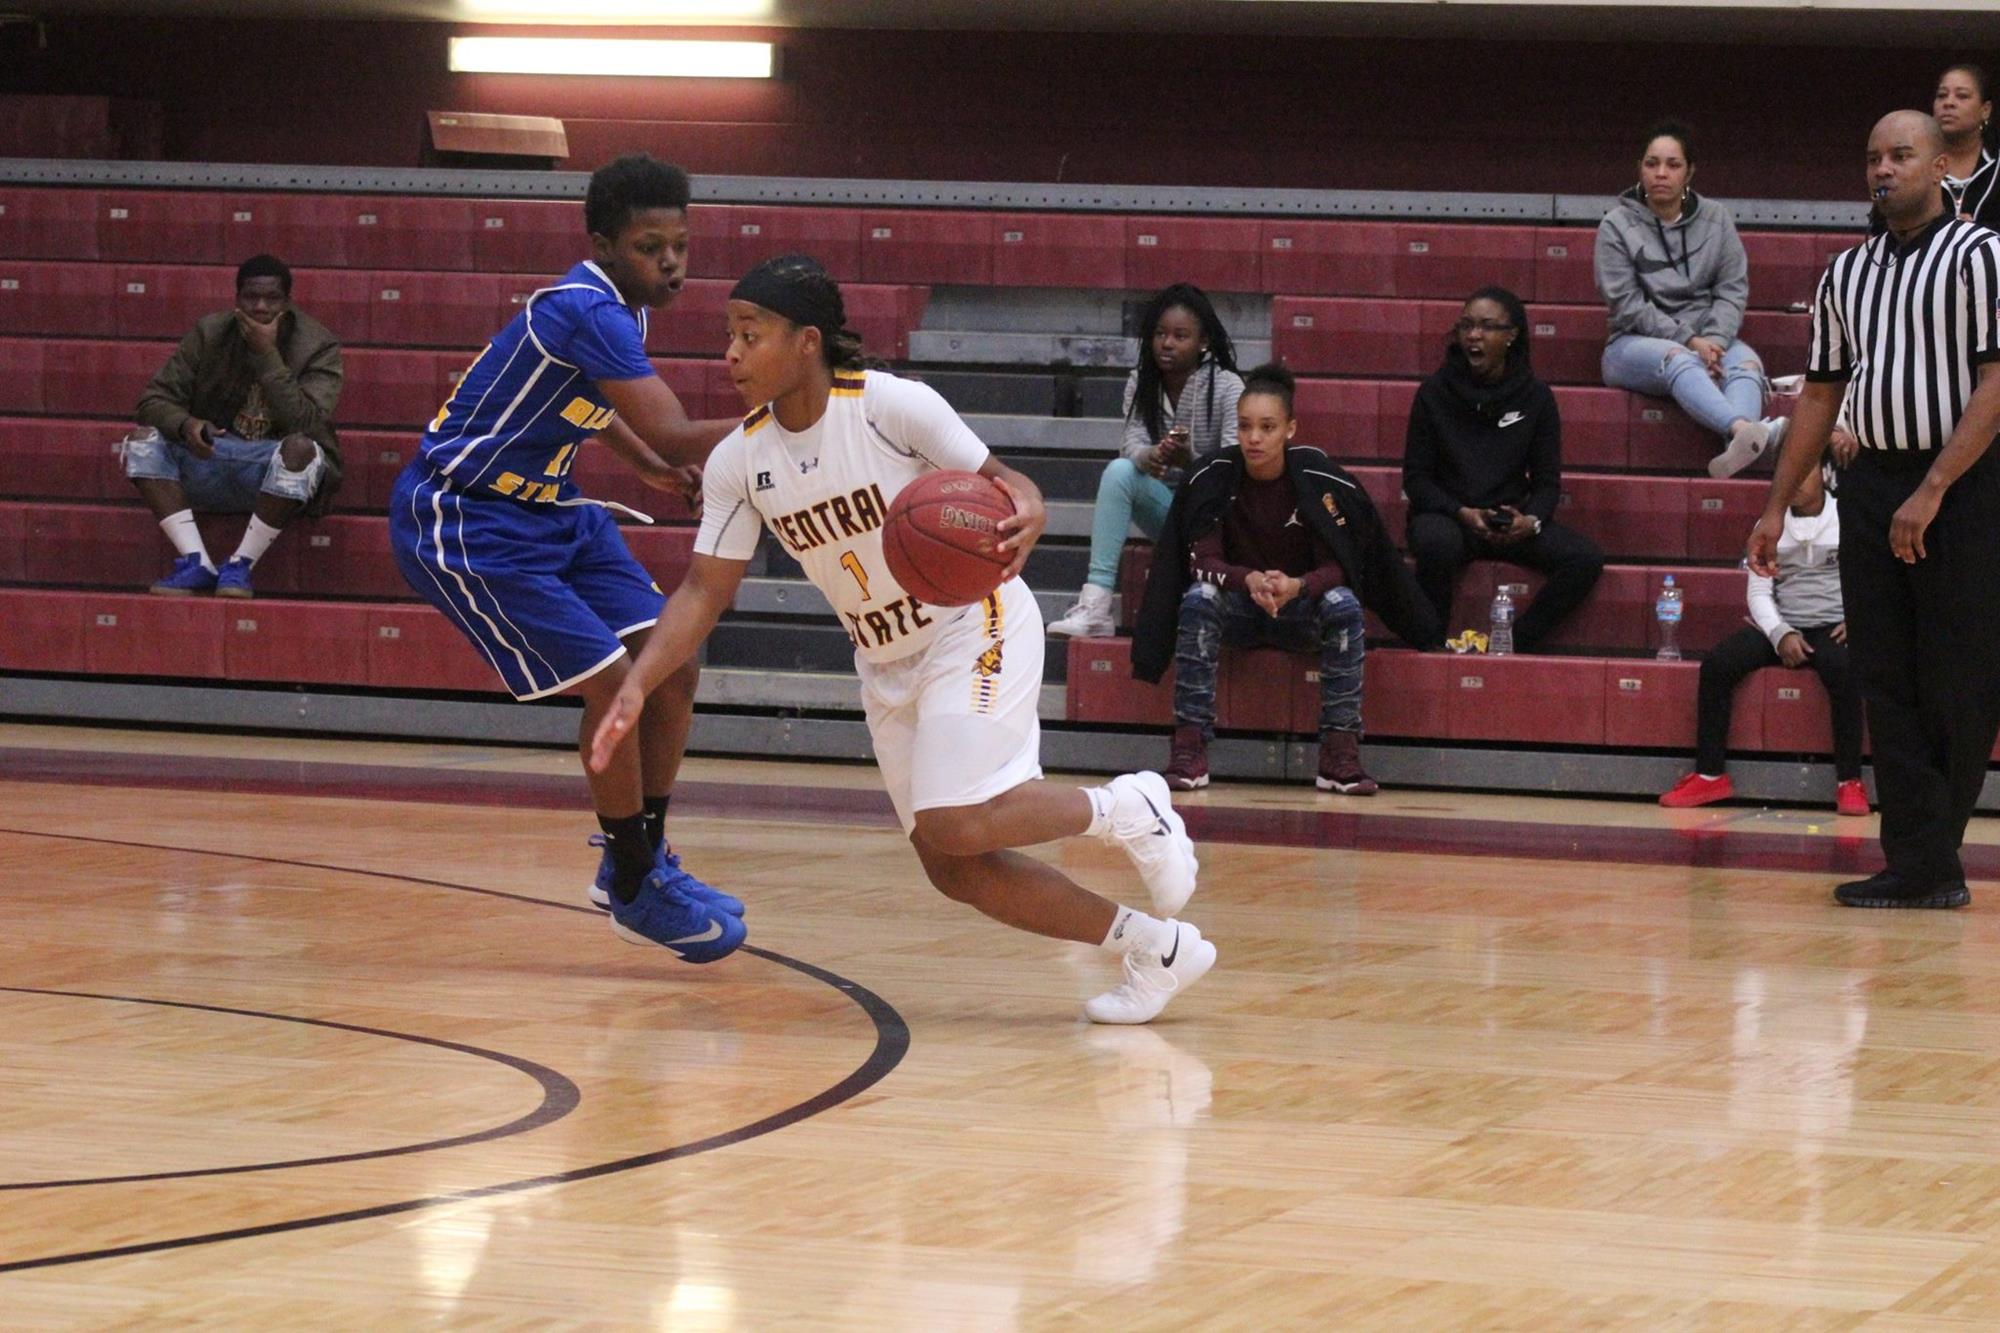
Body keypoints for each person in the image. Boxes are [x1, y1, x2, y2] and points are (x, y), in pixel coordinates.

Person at [592, 253, 1215, 1026]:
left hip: (972, 618)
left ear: (808, 341)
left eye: (751, 335)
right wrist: (638, 681)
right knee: (954, 867)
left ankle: (1127, 805)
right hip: (883, 657)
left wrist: (1029, 506)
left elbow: (1004, 482)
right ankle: (1155, 948)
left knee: (959, 816)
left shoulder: (891, 406)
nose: (731, 353)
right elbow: (701, 591)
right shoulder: (738, 461)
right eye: (728, 335)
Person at [387, 154, 748, 957]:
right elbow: (678, 429)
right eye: (652, 246)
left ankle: (641, 857)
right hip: (466, 516)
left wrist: (647, 467)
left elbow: (587, 404)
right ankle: (629, 880)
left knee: (672, 662)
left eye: (681, 246)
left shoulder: (618, 308)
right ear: (605, 244)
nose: (671, 263)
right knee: (617, 684)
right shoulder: (589, 309)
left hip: (551, 511)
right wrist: (801, 411)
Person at [1748, 110, 2000, 910]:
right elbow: (1820, 395)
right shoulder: (1845, 274)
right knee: (1883, 675)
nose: (1883, 169)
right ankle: (1919, 863)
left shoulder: (1982, 256)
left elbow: (1998, 384)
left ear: (1940, 168)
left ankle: (1932, 856)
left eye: (1901, 155)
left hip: (1961, 485)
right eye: (1872, 158)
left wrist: (1932, 490)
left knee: (1956, 681)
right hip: (1870, 485)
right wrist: (1774, 507)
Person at [1132, 363, 1442, 795]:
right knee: (1200, 596)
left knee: (1343, 604)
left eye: (1267, 427)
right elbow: (1200, 562)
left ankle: (1338, 751)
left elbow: (1343, 567)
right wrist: (1249, 580)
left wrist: (1297, 586)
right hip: (1239, 610)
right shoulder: (1213, 476)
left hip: (1299, 611)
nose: (1254, 438)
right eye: (1244, 426)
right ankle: (1189, 748)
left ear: (1290, 429)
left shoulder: (1317, 478)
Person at [127, 254, 342, 598]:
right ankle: (195, 561)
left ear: (287, 302)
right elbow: (152, 400)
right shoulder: (210, 332)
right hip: (212, 455)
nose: (260, 307)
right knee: (141, 441)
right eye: (250, 297)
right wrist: (186, 425)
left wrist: (267, 354)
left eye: (271, 298)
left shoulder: (318, 345)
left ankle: (240, 565)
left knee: (302, 448)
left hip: (275, 467)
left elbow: (307, 423)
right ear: (236, 299)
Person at [1403, 286, 1604, 650]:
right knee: (1434, 542)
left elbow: (1546, 482)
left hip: (1508, 520)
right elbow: (1417, 480)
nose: (1473, 336)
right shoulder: (1434, 393)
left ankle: (1515, 643)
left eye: (1486, 326)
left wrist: (1530, 520)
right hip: (1451, 517)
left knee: (1586, 558)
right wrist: (1462, 512)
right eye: (1466, 326)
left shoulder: (1536, 397)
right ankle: (1429, 646)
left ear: (1512, 335)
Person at [1662, 463, 1867, 816]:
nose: (1797, 481)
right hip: (1783, 623)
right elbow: (1758, 594)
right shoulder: (1768, 526)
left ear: (1825, 475)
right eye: (1790, 473)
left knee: (1845, 669)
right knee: (1717, 665)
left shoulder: (1848, 517)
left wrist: (1858, 618)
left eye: (1805, 472)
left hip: (1833, 626)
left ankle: (1849, 781)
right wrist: (1781, 633)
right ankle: (1710, 774)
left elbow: (1874, 576)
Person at [1046, 283, 1243, 639]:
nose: (1167, 343)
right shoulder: (1142, 382)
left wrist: (1191, 462)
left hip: (1217, 523)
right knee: (1120, 470)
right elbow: (1131, 440)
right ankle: (1097, 605)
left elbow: (1233, 470)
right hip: (1170, 513)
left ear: (1203, 342)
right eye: (1160, 334)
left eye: (1180, 336)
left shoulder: (1229, 387)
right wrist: (1148, 456)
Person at [1596, 120, 1787, 481]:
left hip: (1709, 337)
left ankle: (1740, 448)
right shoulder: (1616, 225)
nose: (1661, 173)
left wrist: (1714, 341)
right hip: (1632, 344)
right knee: (1680, 360)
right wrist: (1690, 341)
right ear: (1640, 168)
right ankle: (1742, 430)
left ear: (1690, 171)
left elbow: (1732, 289)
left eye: (1673, 164)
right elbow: (1627, 305)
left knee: (1747, 365)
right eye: (1652, 164)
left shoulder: (1716, 219)